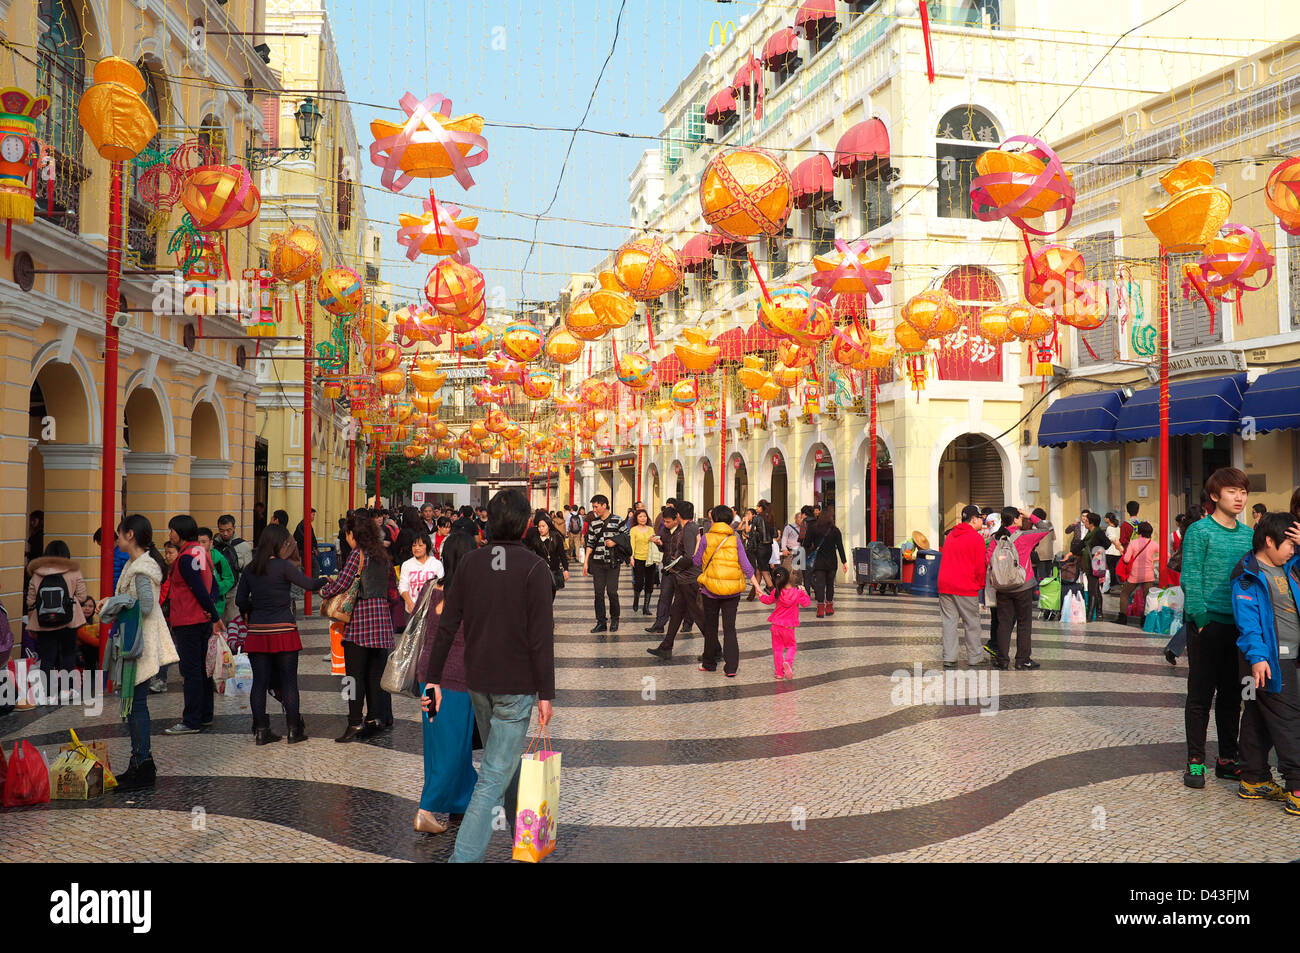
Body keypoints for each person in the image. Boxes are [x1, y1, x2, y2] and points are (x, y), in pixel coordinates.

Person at [423, 489, 555, 864]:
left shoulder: (470, 564)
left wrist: (434, 677)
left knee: (504, 765)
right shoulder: (534, 567)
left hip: (477, 680)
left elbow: (448, 624)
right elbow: (541, 637)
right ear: (527, 523)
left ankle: (526, 847)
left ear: (488, 523)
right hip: (516, 686)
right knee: (493, 779)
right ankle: (462, 859)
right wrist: (546, 693)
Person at [1181, 466, 1254, 789]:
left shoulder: (1249, 535)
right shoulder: (1200, 531)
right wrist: (1199, 618)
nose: (1239, 498)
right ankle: (1195, 761)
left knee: (1231, 696)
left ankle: (1227, 758)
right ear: (1214, 495)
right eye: (1231, 491)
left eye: (1243, 492)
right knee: (1199, 695)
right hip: (1206, 623)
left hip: (1238, 627)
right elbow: (1190, 575)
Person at [95, 515, 178, 790]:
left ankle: (143, 765)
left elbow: (144, 605)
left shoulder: (142, 569)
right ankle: (139, 762)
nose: (116, 539)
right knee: (133, 705)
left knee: (136, 705)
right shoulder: (136, 565)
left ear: (130, 535)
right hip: (136, 641)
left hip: (140, 644)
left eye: (119, 534)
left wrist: (113, 601)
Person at [413, 529, 479, 836]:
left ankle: (461, 802)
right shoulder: (471, 594)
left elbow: (416, 623)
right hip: (457, 680)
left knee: (442, 745)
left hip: (429, 677)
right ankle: (426, 809)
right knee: (454, 746)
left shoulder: (430, 588)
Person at [234, 524, 326, 744]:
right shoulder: (283, 567)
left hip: (257, 632)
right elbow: (309, 584)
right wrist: (327, 580)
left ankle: (261, 731)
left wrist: (252, 610)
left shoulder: (250, 568)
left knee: (259, 683)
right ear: (278, 543)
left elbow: (240, 600)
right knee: (289, 681)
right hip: (284, 629)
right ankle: (294, 730)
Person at [1232, 512, 1300, 810]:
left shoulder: (1291, 567)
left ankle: (1253, 777)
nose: (1292, 549)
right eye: (1287, 543)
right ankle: (1297, 787)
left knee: (1257, 717)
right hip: (1265, 661)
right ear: (1269, 541)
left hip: (1286, 658)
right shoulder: (1248, 575)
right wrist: (1258, 658)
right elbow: (1248, 624)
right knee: (1289, 720)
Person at [319, 514, 396, 743]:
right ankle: (374, 719)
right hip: (381, 622)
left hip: (361, 623)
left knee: (353, 677)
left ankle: (354, 722)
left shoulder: (357, 554)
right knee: (374, 676)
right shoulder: (382, 555)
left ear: (354, 535)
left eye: (347, 534)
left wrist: (324, 589)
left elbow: (342, 583)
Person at [163, 515, 225, 734]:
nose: (169, 535)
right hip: (201, 620)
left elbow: (198, 589)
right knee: (203, 669)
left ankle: (191, 720)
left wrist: (215, 616)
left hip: (188, 620)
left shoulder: (185, 557)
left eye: (172, 531)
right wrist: (211, 613)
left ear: (180, 532)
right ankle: (205, 715)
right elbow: (213, 587)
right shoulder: (202, 553)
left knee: (191, 671)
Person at [25, 540, 95, 703]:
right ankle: (66, 690)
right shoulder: (73, 571)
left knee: (47, 658)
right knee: (67, 654)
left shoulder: (37, 573)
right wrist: (69, 603)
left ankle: (48, 694)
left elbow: (30, 601)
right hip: (68, 621)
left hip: (44, 622)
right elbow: (83, 596)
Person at [695, 505, 757, 676]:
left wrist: (699, 543)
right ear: (730, 520)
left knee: (711, 627)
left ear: (713, 519)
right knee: (730, 628)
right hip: (732, 591)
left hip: (710, 590)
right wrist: (757, 586)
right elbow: (746, 565)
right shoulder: (735, 538)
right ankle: (731, 668)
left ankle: (709, 663)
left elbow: (696, 561)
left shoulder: (706, 538)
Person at [989, 507, 1049, 671]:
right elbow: (1047, 528)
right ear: (1015, 519)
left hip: (1002, 587)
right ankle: (1023, 660)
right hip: (1023, 585)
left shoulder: (994, 539)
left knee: (1004, 623)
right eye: (1020, 517)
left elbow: (988, 560)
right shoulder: (1025, 536)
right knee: (1024, 623)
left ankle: (1002, 660)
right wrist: (1031, 516)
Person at [647, 503, 703, 660]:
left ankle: (715, 649)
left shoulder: (689, 529)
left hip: (688, 579)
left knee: (698, 615)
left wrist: (673, 567)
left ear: (678, 515)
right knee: (676, 612)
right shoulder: (690, 528)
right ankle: (666, 646)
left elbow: (690, 556)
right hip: (682, 578)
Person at [937, 505, 989, 670]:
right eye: (981, 518)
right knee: (972, 623)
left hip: (945, 585)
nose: (983, 521)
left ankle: (949, 657)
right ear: (974, 520)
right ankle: (975, 657)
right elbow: (980, 567)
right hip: (965, 586)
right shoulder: (976, 538)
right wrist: (980, 585)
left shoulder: (951, 535)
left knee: (949, 622)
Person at [584, 494, 626, 633]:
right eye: (593, 507)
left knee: (612, 592)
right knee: (598, 593)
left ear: (604, 505)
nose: (594, 509)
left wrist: (615, 541)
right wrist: (585, 562)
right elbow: (590, 542)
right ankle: (601, 622)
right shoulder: (594, 523)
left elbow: (626, 537)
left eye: (596, 506)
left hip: (613, 562)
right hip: (597, 563)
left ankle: (615, 619)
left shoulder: (618, 520)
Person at [760, 564, 810, 680]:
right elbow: (806, 603)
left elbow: (767, 601)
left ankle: (779, 673)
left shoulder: (777, 592)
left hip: (776, 626)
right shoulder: (797, 593)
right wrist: (805, 592)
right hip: (789, 627)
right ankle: (788, 662)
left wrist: (761, 596)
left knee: (777, 650)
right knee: (791, 646)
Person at [802, 508, 847, 617]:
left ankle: (820, 609)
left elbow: (806, 544)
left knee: (820, 585)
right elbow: (840, 547)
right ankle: (830, 607)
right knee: (830, 584)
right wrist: (844, 562)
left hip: (819, 562)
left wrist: (814, 547)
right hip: (832, 562)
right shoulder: (835, 530)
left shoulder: (813, 528)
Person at [1114, 521, 1158, 626]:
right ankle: (1145, 621)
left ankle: (1122, 619)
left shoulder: (1133, 543)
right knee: (1147, 597)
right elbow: (1167, 555)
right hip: (1148, 575)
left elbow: (1126, 559)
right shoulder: (1153, 544)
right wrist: (1153, 560)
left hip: (1135, 574)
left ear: (1139, 531)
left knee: (1124, 594)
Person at [525, 509, 569, 601]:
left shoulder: (556, 537)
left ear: (548, 526)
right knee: (542, 596)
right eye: (539, 526)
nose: (540, 529)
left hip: (554, 571)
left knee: (551, 597)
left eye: (543, 526)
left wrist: (566, 569)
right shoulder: (535, 539)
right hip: (540, 572)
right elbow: (528, 552)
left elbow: (562, 554)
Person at [399, 532, 444, 612]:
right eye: (414, 545)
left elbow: (441, 587)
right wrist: (410, 603)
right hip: (412, 610)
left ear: (427, 546)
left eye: (420, 545)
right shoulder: (406, 565)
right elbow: (403, 587)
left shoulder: (436, 564)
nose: (416, 548)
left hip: (431, 611)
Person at [198, 527, 235, 614]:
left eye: (203, 542)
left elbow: (229, 579)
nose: (200, 545)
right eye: (197, 542)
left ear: (211, 542)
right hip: (199, 607)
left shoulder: (219, 559)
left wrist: (215, 588)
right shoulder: (192, 559)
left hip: (217, 606)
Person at [628, 508, 656, 615]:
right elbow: (632, 544)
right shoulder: (633, 530)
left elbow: (654, 543)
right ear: (636, 518)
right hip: (638, 559)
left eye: (644, 516)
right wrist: (631, 557)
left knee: (649, 583)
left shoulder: (651, 529)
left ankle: (646, 607)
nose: (643, 518)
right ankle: (636, 600)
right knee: (639, 582)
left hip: (650, 559)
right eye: (640, 516)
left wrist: (655, 540)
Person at [1104, 512, 1123, 579]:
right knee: (1116, 568)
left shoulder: (1109, 528)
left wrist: (1118, 548)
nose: (1104, 519)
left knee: (1111, 569)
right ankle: (1116, 582)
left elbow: (1113, 540)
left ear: (1108, 519)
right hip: (1118, 552)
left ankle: (1112, 583)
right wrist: (1120, 549)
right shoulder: (1118, 528)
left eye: (1105, 517)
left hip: (1110, 551)